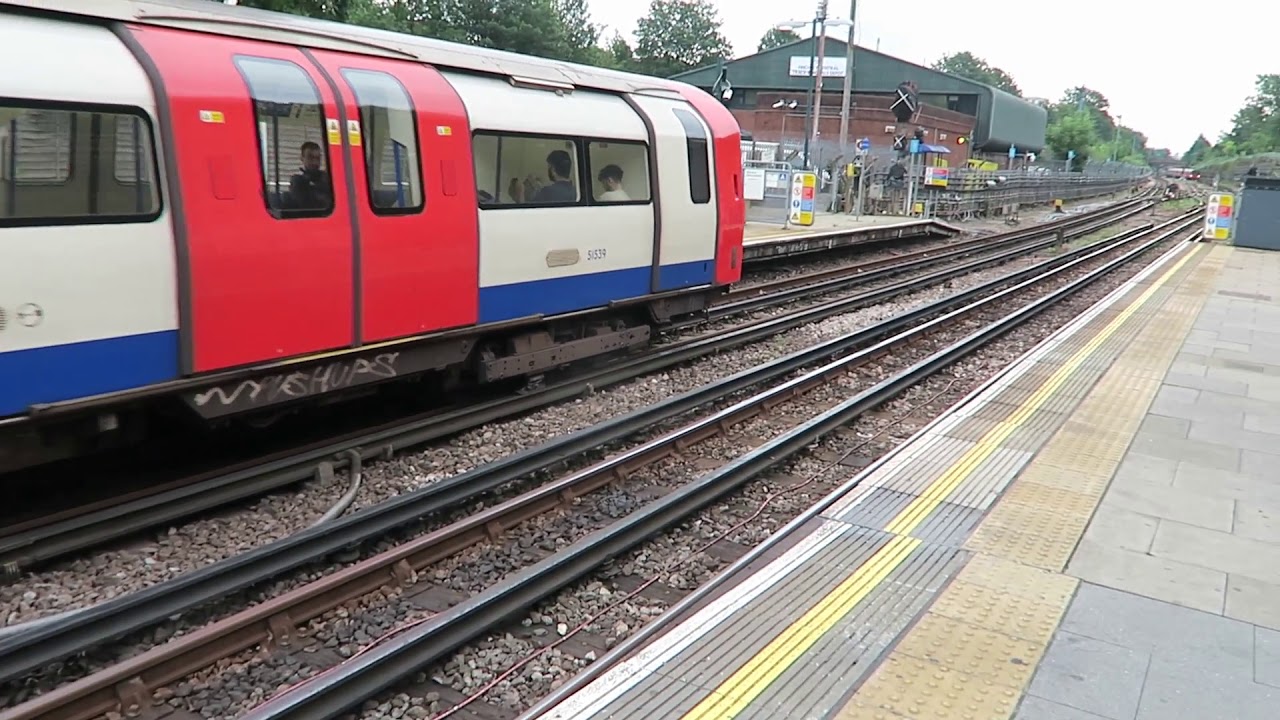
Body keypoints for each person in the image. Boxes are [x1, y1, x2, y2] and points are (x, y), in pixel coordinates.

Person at [509, 150, 577, 204]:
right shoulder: (575, 192)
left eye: (548, 167)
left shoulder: (547, 192)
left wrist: (520, 192)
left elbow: (529, 216)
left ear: (553, 170)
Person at [288, 141, 331, 210]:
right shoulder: (297, 180)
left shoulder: (328, 178)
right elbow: (305, 204)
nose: (315, 162)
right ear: (302, 158)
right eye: (310, 157)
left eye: (318, 158)